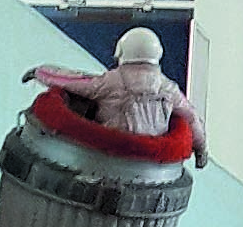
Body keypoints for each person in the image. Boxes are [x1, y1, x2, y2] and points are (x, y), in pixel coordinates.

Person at [26, 26, 209, 166]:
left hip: (112, 157)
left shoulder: (111, 81)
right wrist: (201, 150)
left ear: (122, 51)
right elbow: (191, 117)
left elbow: (74, 81)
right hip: (152, 165)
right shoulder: (170, 89)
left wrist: (41, 72)